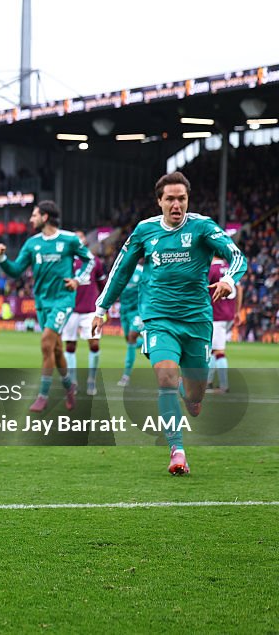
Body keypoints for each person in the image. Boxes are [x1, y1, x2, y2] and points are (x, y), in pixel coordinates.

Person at [93, 172, 246, 475]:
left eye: (182, 199)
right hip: (158, 317)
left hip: (197, 320)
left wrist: (229, 278)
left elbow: (236, 255)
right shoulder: (145, 231)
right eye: (170, 199)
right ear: (159, 201)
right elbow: (121, 269)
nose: (176, 204)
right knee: (165, 378)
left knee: (195, 393)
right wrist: (102, 306)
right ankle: (177, 451)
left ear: (188, 200)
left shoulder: (202, 227)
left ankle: (191, 398)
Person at [0, 201, 94, 413]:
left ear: (45, 217)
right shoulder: (32, 244)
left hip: (63, 300)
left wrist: (78, 279)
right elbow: (15, 270)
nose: (31, 219)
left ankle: (42, 396)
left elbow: (90, 260)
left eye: (34, 215)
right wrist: (1, 258)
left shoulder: (69, 239)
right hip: (42, 303)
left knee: (45, 343)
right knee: (56, 350)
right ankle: (69, 387)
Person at [61, 231, 106, 396]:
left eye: (81, 237)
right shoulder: (65, 261)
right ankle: (72, 381)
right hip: (70, 311)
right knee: (70, 346)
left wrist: (103, 307)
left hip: (90, 311)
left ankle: (91, 380)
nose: (79, 239)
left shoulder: (95, 261)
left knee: (94, 345)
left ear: (85, 241)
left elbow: (103, 285)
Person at [206, 256, 242, 393]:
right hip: (229, 315)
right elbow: (239, 289)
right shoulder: (231, 268)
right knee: (214, 349)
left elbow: (202, 288)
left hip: (217, 315)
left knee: (219, 351)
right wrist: (237, 311)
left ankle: (223, 386)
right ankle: (208, 381)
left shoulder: (212, 269)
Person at [116, 261, 145, 387]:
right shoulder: (124, 270)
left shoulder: (143, 272)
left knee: (132, 336)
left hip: (138, 311)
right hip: (124, 310)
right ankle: (149, 343)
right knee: (129, 340)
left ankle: (126, 376)